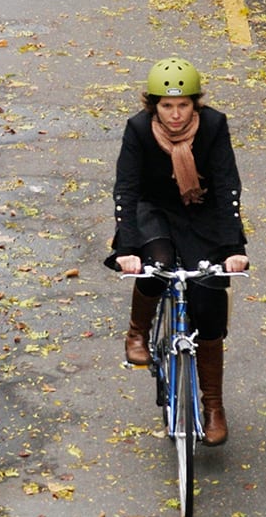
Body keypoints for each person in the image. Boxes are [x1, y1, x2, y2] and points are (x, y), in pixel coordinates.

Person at [104, 58, 249, 447]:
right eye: (167, 106)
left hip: (201, 213)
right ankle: (137, 332)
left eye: (183, 105)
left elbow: (226, 186)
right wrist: (127, 249)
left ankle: (213, 406)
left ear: (195, 104)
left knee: (209, 300)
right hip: (153, 212)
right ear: (153, 105)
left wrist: (233, 248)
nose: (175, 114)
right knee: (157, 267)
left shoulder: (214, 127)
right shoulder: (137, 130)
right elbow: (127, 190)